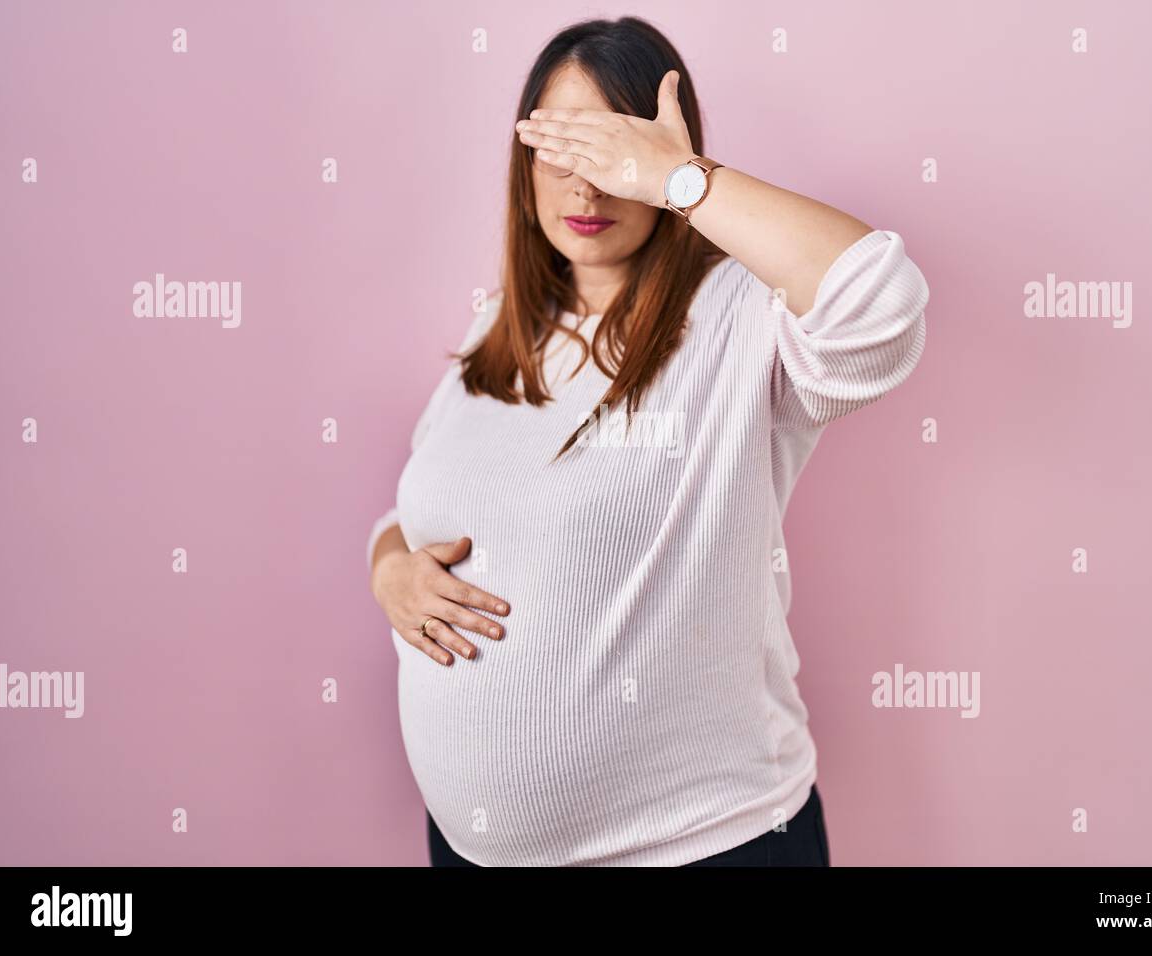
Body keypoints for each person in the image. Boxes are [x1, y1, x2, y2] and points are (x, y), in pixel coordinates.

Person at [366, 16, 928, 867]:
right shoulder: (499, 331)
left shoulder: (738, 318)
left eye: (614, 151)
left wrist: (682, 179)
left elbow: (879, 302)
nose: (588, 187)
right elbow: (409, 512)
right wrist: (391, 573)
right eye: (565, 148)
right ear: (524, 168)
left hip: (705, 847)